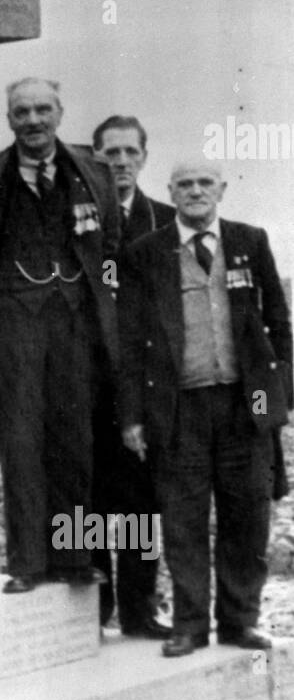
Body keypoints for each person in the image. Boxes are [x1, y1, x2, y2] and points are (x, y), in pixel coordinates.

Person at [0, 78, 120, 592]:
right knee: (20, 444)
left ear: (60, 112)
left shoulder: (93, 171)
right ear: (8, 119)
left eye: (42, 109)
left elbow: (107, 245)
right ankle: (26, 562)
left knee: (75, 444)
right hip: (8, 324)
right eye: (21, 111)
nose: (33, 120)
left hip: (72, 325)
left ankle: (72, 560)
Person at [119, 161, 291, 657]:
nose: (195, 192)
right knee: (183, 519)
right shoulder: (144, 254)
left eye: (204, 183)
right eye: (185, 185)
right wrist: (132, 416)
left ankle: (240, 622)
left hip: (245, 403)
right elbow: (130, 343)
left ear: (221, 189)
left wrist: (276, 399)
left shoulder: (249, 240)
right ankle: (189, 625)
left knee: (247, 515)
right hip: (178, 408)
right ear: (170, 192)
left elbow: (279, 323)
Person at [90, 115, 175, 637]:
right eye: (109, 154)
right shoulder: (77, 219)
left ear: (143, 157)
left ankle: (141, 609)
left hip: (146, 382)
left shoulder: (165, 222)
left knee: (144, 500)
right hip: (91, 383)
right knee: (94, 498)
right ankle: (92, 612)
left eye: (129, 152)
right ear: (94, 158)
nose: (120, 162)